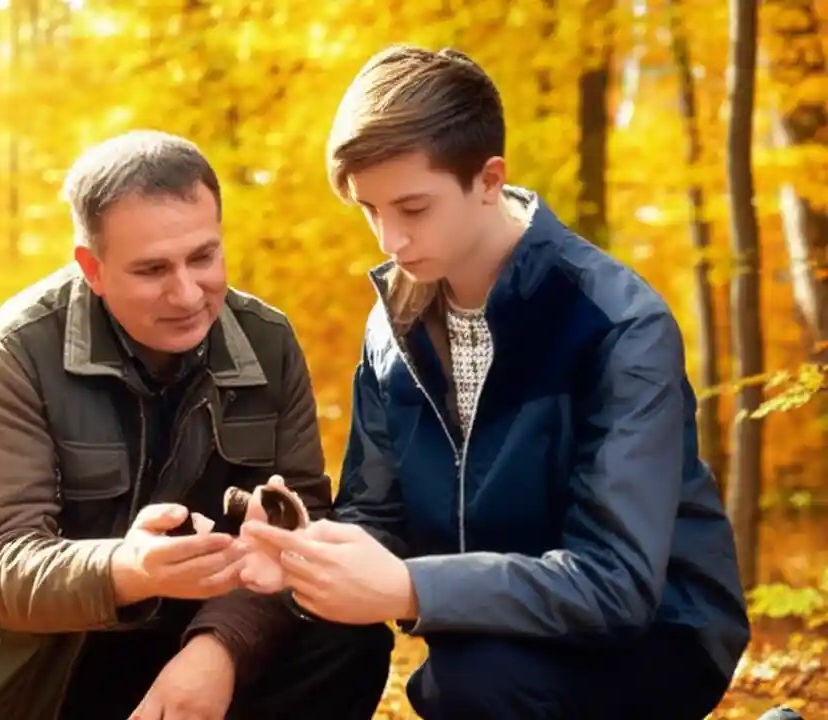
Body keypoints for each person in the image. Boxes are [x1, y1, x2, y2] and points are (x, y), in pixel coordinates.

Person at [239, 45, 751, 719]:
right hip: (488, 632)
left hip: (658, 630)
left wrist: (408, 586)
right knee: (311, 640)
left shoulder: (617, 323)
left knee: (467, 685)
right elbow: (378, 517)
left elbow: (618, 585)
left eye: (413, 208)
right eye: (369, 210)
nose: (389, 239)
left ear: (488, 179)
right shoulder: (392, 322)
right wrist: (306, 557)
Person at [0, 129, 393, 720]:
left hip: (193, 630)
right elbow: (5, 571)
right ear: (93, 267)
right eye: (152, 269)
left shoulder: (267, 343)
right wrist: (129, 569)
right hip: (42, 664)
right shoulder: (12, 354)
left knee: (349, 641)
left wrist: (219, 649)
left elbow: (303, 522)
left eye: (203, 257)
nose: (187, 293)